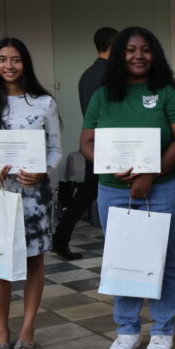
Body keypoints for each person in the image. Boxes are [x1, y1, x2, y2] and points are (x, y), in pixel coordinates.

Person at [80, 27, 175, 349]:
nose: (138, 56)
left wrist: (150, 174)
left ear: (155, 54)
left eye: (145, 49)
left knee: (164, 259)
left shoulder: (169, 92)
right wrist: (110, 164)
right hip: (113, 190)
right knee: (122, 259)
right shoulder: (103, 95)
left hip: (163, 187)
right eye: (130, 50)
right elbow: (86, 143)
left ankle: (162, 330)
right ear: (118, 55)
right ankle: (127, 330)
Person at [0, 38, 61, 349]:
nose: (9, 65)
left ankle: (28, 329)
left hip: (35, 197)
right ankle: (2, 331)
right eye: (3, 59)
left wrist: (43, 171)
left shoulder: (43, 103)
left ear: (25, 63)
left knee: (34, 261)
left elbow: (55, 149)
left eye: (16, 59)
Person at [52, 26, 117, 261]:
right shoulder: (110, 75)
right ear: (114, 46)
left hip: (95, 142)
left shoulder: (87, 74)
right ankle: (60, 239)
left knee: (88, 190)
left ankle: (60, 239)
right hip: (107, 144)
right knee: (89, 191)